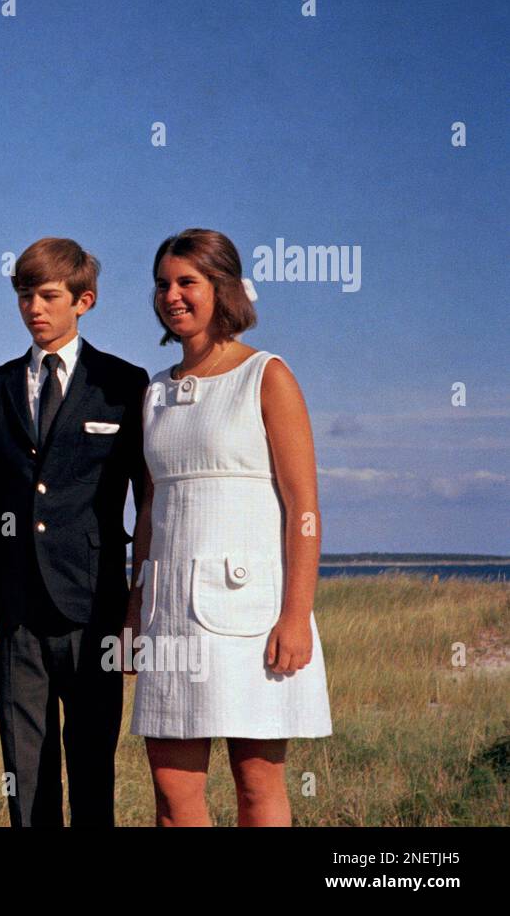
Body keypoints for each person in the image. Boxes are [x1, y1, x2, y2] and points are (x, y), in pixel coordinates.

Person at [128, 228, 332, 826]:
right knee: (170, 790)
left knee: (255, 785)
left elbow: (304, 507)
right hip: (169, 615)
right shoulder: (155, 392)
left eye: (187, 282)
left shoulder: (266, 375)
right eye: (163, 284)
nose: (172, 295)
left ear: (222, 288)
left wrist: (296, 616)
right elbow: (148, 507)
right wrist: (136, 601)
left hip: (251, 614)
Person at [0, 237, 149, 826]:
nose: (34, 309)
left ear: (84, 300)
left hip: (93, 606)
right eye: (24, 295)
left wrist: (138, 603)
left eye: (48, 296)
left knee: (93, 765)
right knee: (24, 768)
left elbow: (148, 501)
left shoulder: (124, 382)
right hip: (13, 610)